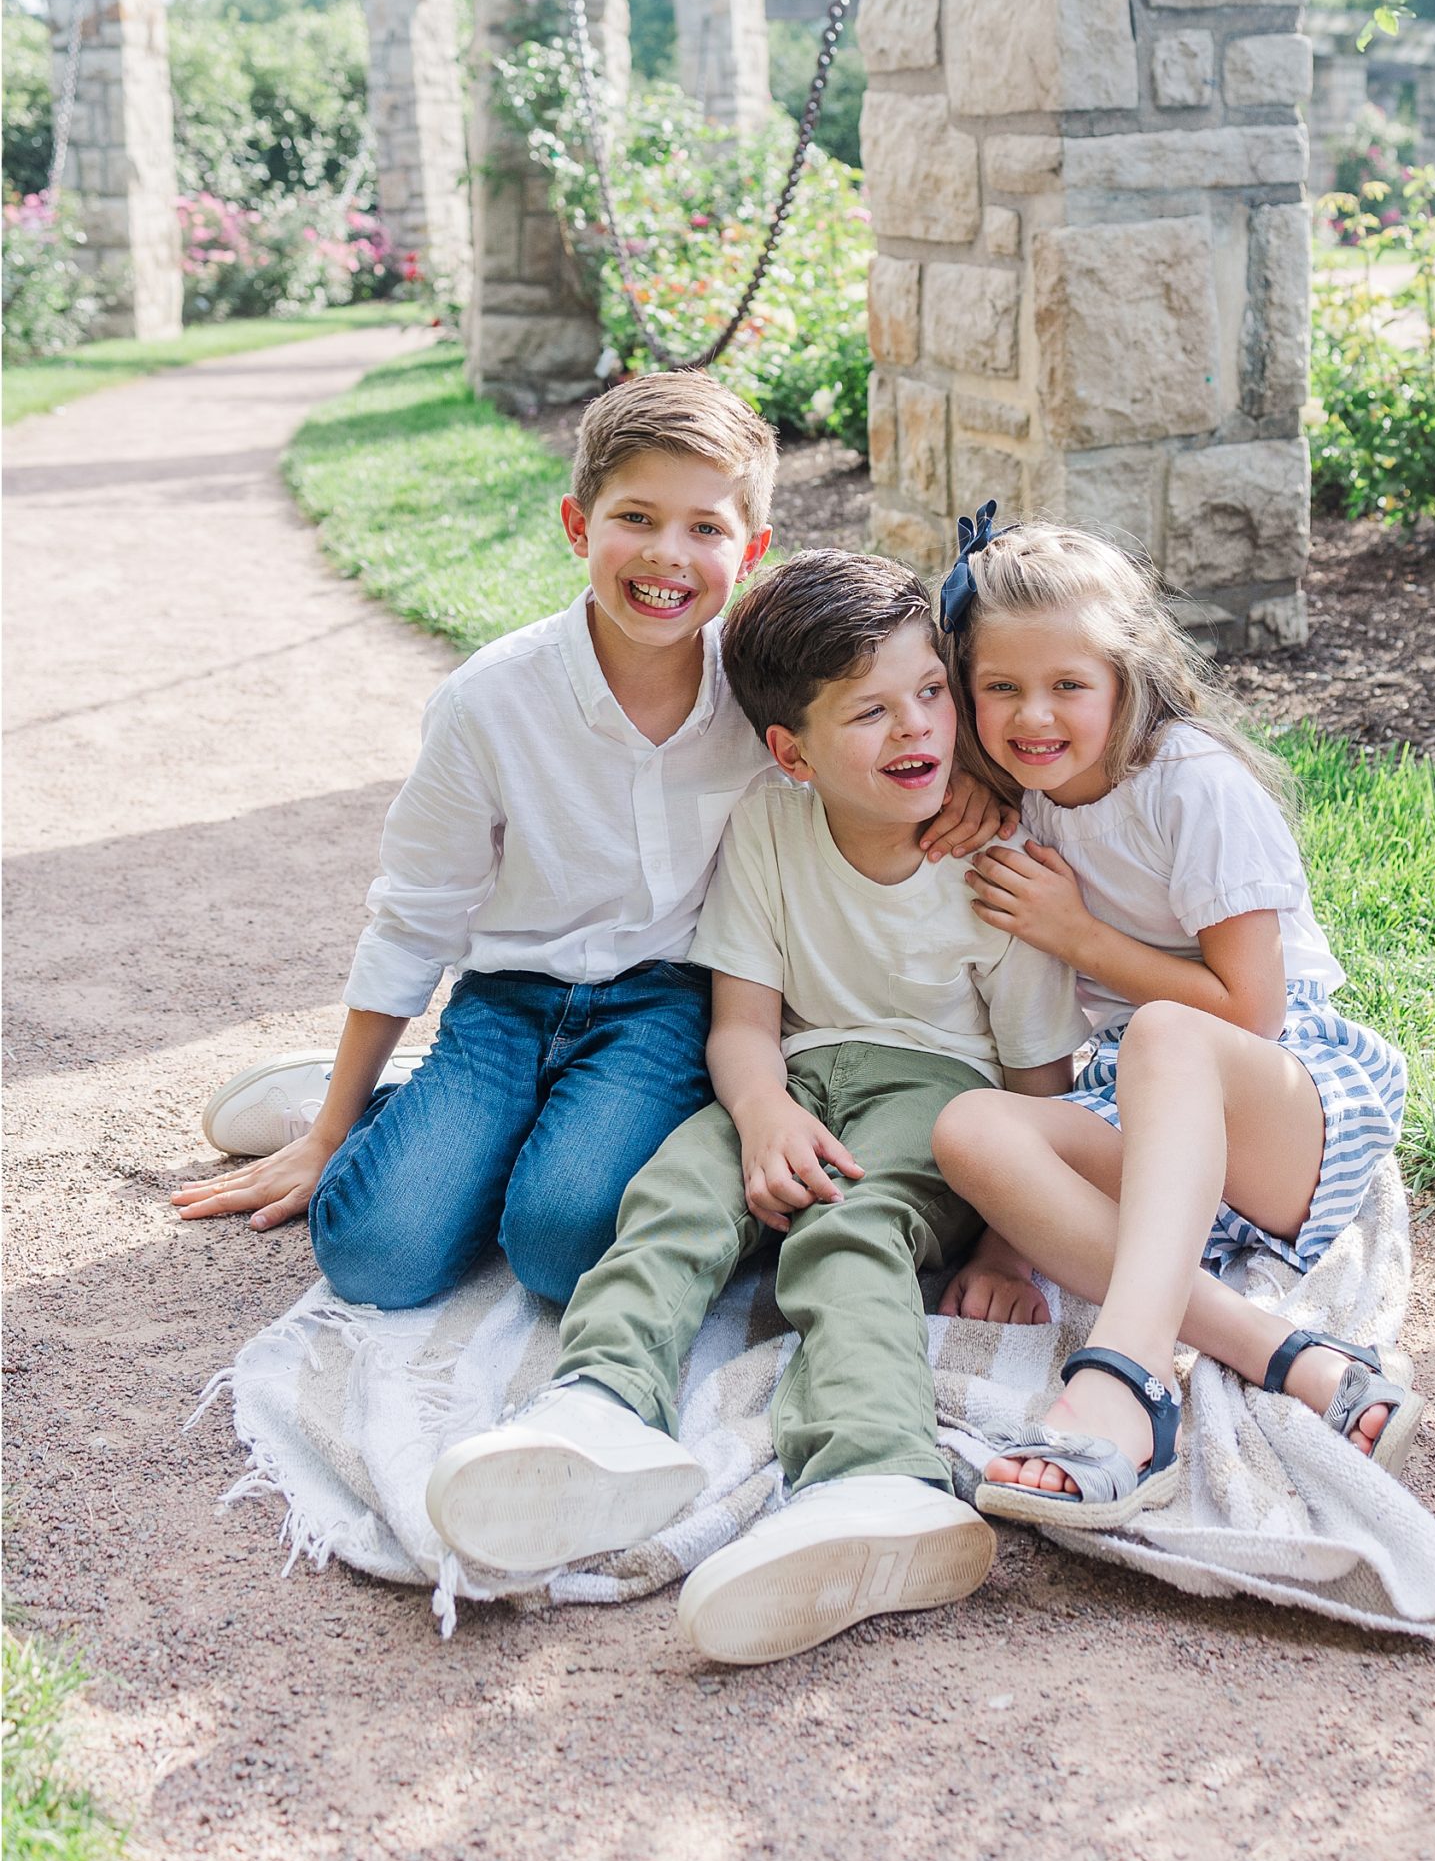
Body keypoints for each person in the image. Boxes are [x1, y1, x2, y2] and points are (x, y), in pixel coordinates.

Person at [168, 377, 996, 1310]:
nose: (668, 556)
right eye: (636, 517)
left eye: (706, 529)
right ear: (578, 525)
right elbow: (414, 916)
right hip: (507, 1002)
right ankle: (368, 1104)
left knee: (563, 1245)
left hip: (664, 1004)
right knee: (376, 1256)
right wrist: (326, 1136)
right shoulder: (491, 703)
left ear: (751, 549)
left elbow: (878, 717)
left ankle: (492, 1138)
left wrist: (970, 779)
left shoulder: (765, 696)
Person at [421, 550, 1087, 1663]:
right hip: (792, 1072)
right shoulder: (771, 829)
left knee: (844, 1229)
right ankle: (598, 1412)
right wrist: (765, 1113)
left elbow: (1036, 1079)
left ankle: (878, 1479)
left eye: (929, 693)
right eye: (869, 712)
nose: (918, 728)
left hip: (940, 1094)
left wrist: (1012, 1253)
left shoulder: (994, 864)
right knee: (672, 1194)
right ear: (791, 753)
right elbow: (739, 1023)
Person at [929, 514, 1423, 1532]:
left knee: (1160, 1030)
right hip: (1151, 1128)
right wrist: (1004, 1243)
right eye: (1001, 688)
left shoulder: (1190, 783)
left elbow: (1253, 1009)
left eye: (1067, 685)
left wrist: (1076, 933)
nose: (1033, 715)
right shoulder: (1024, 794)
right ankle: (1276, 1349)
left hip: (1285, 1103)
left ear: (1127, 672)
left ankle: (1128, 1377)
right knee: (969, 1127)